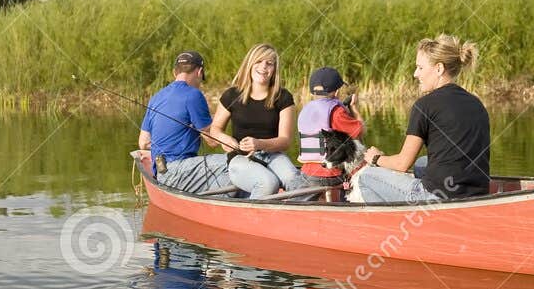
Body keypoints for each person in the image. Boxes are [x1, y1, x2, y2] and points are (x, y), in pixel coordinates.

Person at [351, 33, 491, 204]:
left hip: (436, 196)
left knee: (365, 177)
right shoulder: (477, 103)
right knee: (422, 163)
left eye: (420, 68)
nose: (415, 74)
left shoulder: (425, 105)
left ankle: (387, 224)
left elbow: (402, 164)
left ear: (439, 69)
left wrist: (376, 158)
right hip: (479, 192)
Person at [208, 43, 307, 199]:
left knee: (298, 183)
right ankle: (250, 220)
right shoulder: (231, 95)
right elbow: (215, 129)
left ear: (274, 69)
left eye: (269, 63)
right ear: (249, 64)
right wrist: (225, 139)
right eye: (259, 61)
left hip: (273, 155)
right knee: (268, 183)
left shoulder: (284, 97)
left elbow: (286, 141)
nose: (264, 67)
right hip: (240, 158)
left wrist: (260, 144)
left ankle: (295, 218)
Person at [137, 50, 231, 194]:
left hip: (161, 172)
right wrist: (221, 118)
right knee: (235, 163)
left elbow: (143, 142)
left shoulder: (156, 97)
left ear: (175, 73)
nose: (200, 84)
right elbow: (212, 142)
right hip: (178, 172)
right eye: (201, 78)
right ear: (199, 72)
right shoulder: (194, 95)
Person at [297, 66, 366, 185]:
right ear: (337, 92)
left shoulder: (305, 109)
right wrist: (353, 108)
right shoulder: (336, 112)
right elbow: (359, 131)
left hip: (306, 172)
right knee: (362, 169)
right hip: (329, 174)